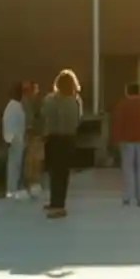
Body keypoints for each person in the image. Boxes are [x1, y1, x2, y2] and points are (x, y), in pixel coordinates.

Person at [41, 70, 82, 218]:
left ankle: (55, 202)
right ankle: (59, 203)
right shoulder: (75, 102)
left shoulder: (49, 100)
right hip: (69, 139)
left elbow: (44, 116)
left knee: (53, 172)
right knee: (63, 173)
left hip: (53, 138)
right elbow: (77, 122)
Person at [112, 81, 140, 207]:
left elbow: (118, 123)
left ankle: (127, 196)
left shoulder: (122, 106)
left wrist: (117, 139)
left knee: (128, 169)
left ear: (127, 92)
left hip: (127, 141)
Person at [2, 82, 28, 199]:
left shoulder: (17, 106)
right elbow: (9, 123)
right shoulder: (13, 107)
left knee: (17, 165)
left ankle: (15, 188)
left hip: (18, 140)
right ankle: (11, 189)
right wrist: (9, 139)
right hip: (14, 140)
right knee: (14, 165)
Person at [22, 80, 47, 199]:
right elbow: (30, 119)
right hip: (33, 136)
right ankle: (31, 184)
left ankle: (35, 183)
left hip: (37, 135)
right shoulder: (28, 103)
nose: (37, 91)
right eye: (35, 89)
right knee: (32, 161)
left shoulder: (34, 102)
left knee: (36, 160)